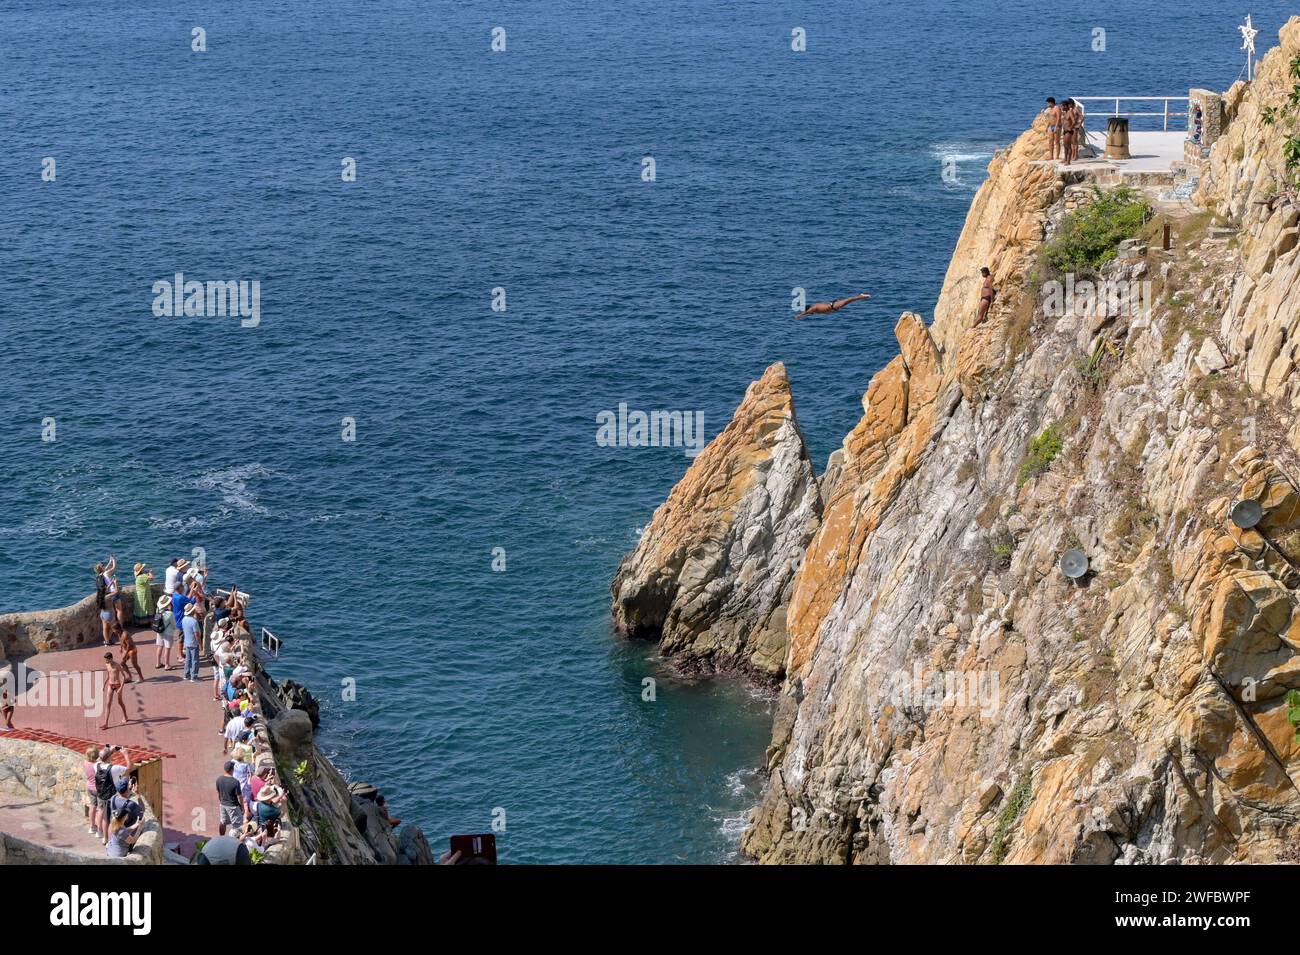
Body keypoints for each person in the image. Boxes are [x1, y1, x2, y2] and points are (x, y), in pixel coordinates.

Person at [92, 747, 119, 844]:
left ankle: (103, 836)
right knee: (111, 819)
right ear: (109, 757)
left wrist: (109, 752)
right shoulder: (114, 768)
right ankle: (110, 840)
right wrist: (122, 753)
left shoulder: (96, 766)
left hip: (100, 794)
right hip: (111, 796)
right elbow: (129, 768)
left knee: (103, 816)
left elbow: (100, 759)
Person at [99, 653, 130, 730]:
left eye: (107, 659)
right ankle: (106, 723)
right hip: (110, 685)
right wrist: (103, 684)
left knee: (120, 702)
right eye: (105, 660)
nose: (106, 661)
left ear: (111, 658)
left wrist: (121, 688)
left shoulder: (117, 665)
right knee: (108, 704)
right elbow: (108, 675)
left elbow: (123, 676)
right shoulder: (107, 664)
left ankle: (125, 716)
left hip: (117, 685)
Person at [795, 292, 871, 320]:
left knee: (849, 300)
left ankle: (861, 296)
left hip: (833, 306)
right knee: (849, 301)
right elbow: (809, 313)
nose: (810, 313)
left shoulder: (813, 308)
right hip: (834, 306)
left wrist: (800, 315)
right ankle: (861, 296)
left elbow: (809, 311)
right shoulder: (814, 309)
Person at [216, 761, 244, 834]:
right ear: (232, 770)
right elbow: (240, 796)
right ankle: (235, 841)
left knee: (223, 822)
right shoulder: (235, 782)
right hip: (233, 806)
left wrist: (221, 801)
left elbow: (218, 793)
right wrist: (242, 807)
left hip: (223, 804)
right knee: (237, 825)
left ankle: (221, 838)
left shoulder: (219, 779)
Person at [154, 594, 177, 669]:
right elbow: (174, 625)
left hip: (159, 631)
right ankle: (167, 665)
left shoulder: (157, 610)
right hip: (168, 633)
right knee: (167, 648)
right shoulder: (170, 613)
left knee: (159, 647)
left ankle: (158, 663)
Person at [182, 603, 202, 682]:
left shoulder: (184, 619)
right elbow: (196, 634)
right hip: (194, 643)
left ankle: (186, 674)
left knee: (188, 659)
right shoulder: (194, 621)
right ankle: (194, 676)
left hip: (187, 642)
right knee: (195, 660)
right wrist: (200, 644)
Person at [1060, 98, 1076, 167]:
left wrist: (1070, 128)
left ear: (1066, 106)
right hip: (1064, 131)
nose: (1061, 107)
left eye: (1063, 106)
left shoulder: (1070, 112)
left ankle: (1068, 161)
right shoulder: (1064, 113)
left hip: (1069, 131)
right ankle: (1065, 159)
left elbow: (1074, 121)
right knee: (1064, 145)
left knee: (1068, 146)